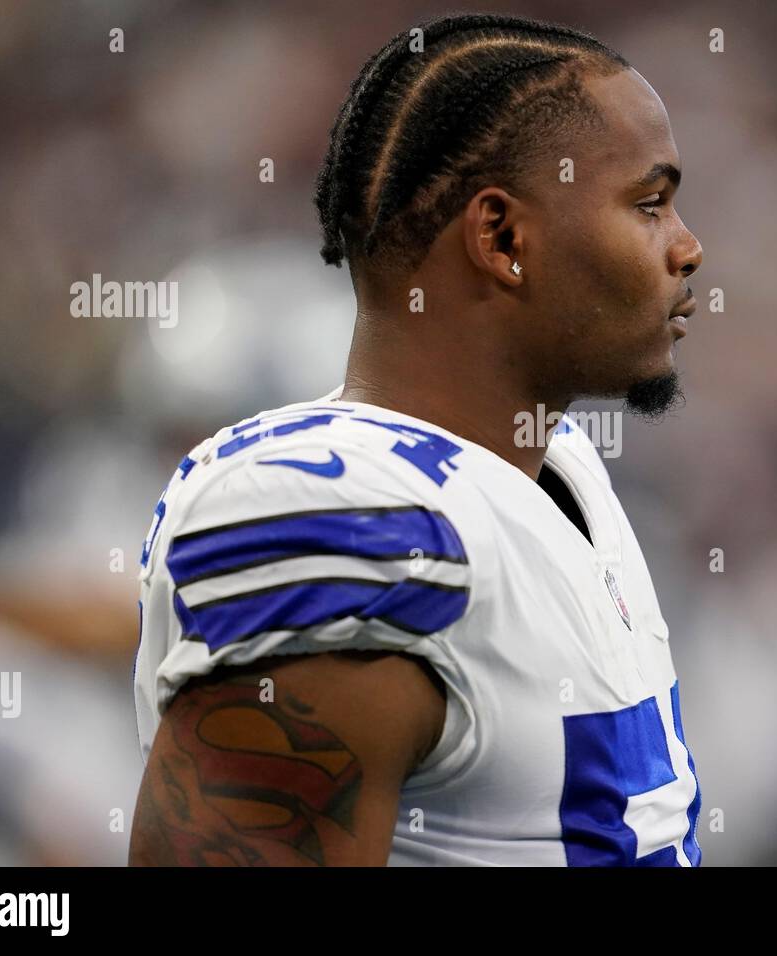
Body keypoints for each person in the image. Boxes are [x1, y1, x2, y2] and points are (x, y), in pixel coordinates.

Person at [129, 12, 705, 866]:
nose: (688, 248)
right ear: (504, 238)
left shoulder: (557, 465)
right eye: (650, 205)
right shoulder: (345, 518)